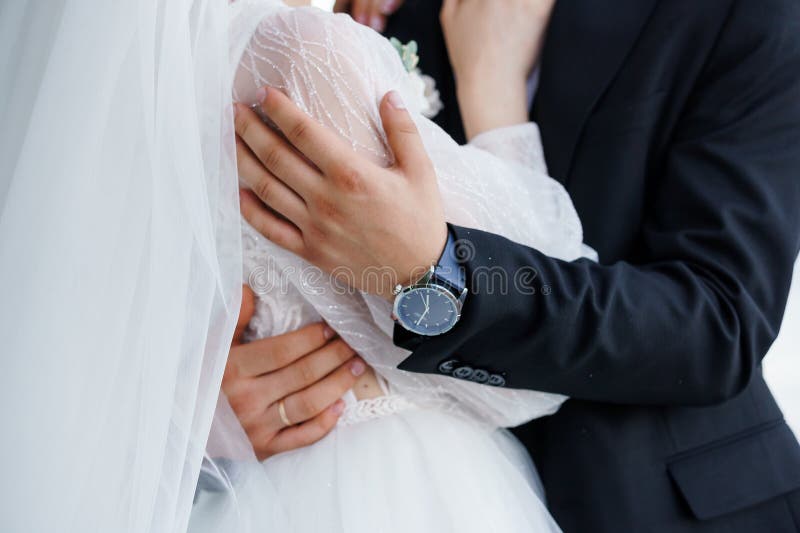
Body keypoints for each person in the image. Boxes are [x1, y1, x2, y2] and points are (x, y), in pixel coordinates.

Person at [234, 0, 800, 531]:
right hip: (392, 492)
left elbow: (719, 322)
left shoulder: (743, 11)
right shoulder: (380, 15)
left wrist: (437, 273)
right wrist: (203, 416)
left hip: (655, 500)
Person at [192, 0, 582, 531]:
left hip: (251, 493)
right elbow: (537, 363)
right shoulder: (302, 53)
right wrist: (493, 87)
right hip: (389, 487)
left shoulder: (160, 65)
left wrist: (187, 423)